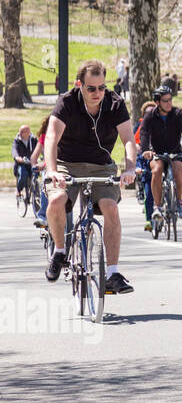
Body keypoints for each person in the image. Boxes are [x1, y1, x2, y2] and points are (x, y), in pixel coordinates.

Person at [42, 60, 138, 292]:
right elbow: (52, 137)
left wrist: (130, 168)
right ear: (80, 85)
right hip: (66, 164)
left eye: (102, 87)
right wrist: (52, 170)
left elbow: (128, 139)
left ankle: (113, 274)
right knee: (56, 200)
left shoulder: (115, 103)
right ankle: (60, 251)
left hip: (101, 166)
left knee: (110, 208)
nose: (98, 93)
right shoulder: (67, 102)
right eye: (91, 88)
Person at [139, 85, 182, 223]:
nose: (169, 103)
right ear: (158, 102)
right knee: (157, 170)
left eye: (170, 99)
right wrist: (146, 150)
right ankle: (157, 207)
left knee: (178, 170)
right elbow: (144, 133)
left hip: (175, 151)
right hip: (157, 152)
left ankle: (179, 201)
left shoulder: (178, 113)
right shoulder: (150, 115)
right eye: (165, 100)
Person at [133, 101, 157, 230]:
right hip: (145, 158)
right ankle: (149, 220)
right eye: (148, 113)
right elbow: (134, 141)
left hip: (160, 158)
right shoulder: (141, 126)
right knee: (149, 192)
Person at [11, 124, 37, 207]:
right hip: (21, 164)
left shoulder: (33, 139)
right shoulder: (17, 141)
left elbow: (39, 148)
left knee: (35, 175)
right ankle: (18, 190)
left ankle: (36, 194)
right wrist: (17, 157)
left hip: (31, 163)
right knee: (23, 174)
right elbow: (14, 150)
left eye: (27, 131)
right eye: (22, 131)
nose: (25, 133)